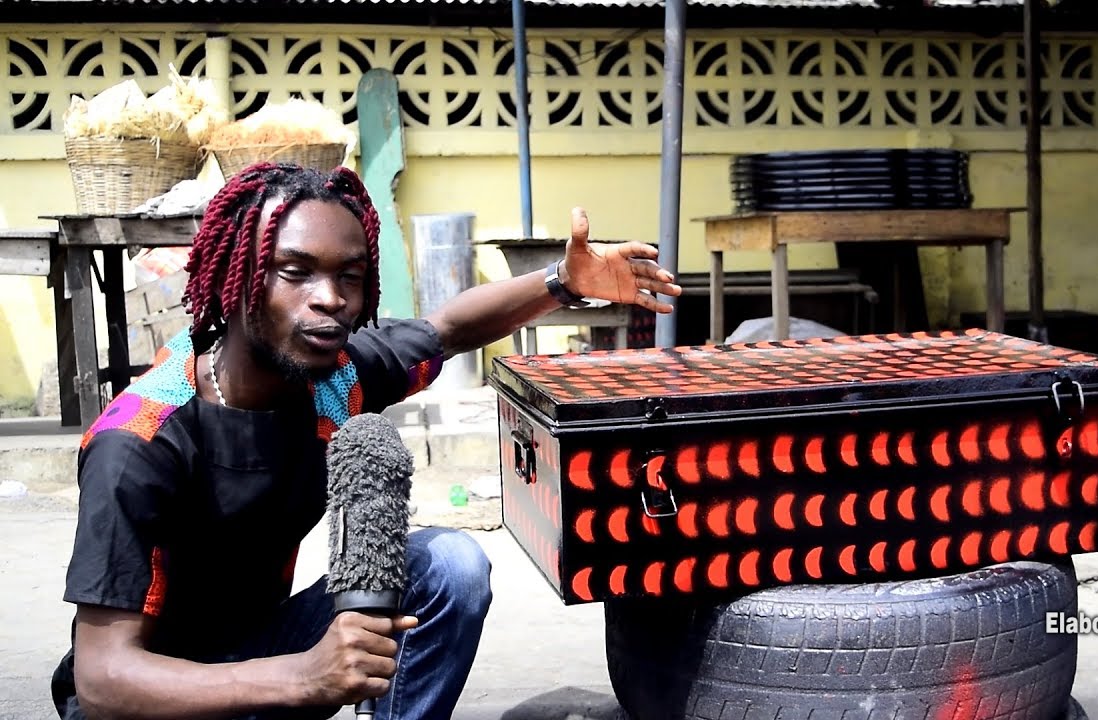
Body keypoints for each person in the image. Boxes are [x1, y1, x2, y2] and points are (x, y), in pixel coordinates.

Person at [51, 162, 682, 720]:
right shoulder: (141, 440)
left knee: (449, 567)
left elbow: (449, 329)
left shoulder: (331, 377)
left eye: (350, 276)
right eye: (293, 272)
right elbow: (104, 681)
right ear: (238, 276)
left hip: (269, 654)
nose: (330, 300)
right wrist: (302, 678)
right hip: (154, 697)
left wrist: (563, 281)